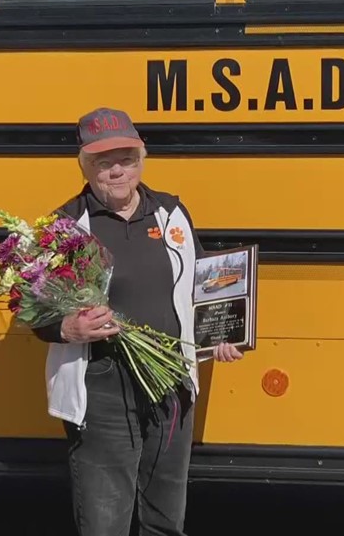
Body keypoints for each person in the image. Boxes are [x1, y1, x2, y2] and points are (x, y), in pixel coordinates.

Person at [32, 107, 243, 536]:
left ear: (141, 159)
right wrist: (68, 328)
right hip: (104, 387)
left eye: (126, 159)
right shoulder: (67, 226)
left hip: (172, 381)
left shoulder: (171, 212)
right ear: (85, 166)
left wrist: (220, 333)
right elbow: (35, 306)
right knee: (104, 519)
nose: (116, 171)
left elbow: (205, 281)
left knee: (166, 515)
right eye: (103, 162)